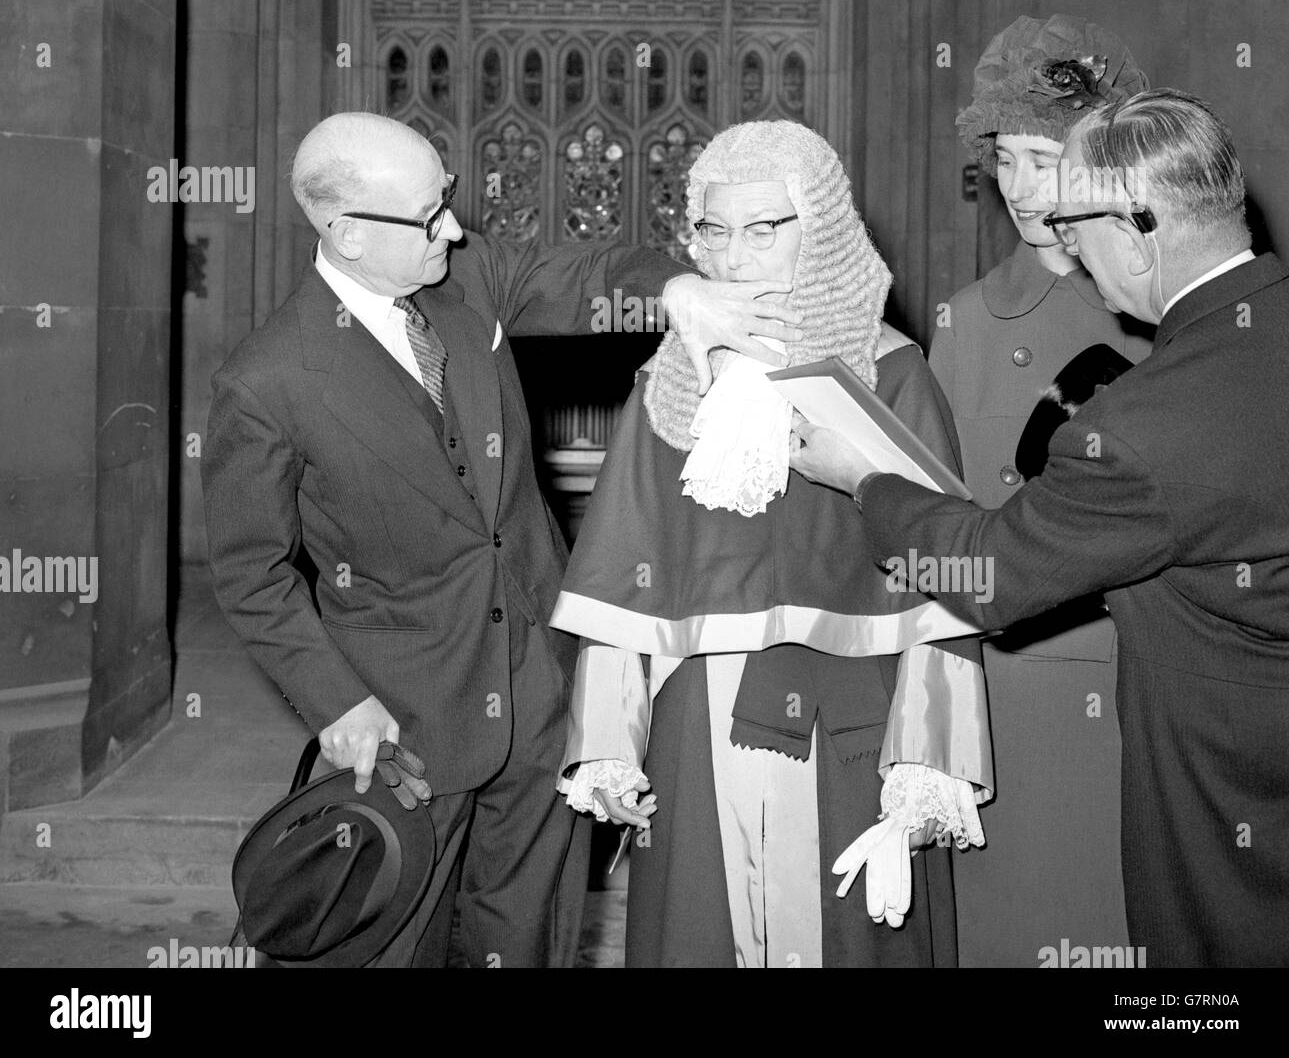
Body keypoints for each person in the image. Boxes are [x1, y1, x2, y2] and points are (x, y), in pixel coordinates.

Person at [201, 111, 802, 968]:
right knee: (395, 948)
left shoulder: (467, 278)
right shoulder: (265, 383)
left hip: (539, 691)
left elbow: (597, 270)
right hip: (403, 726)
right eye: (428, 215)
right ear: (345, 232)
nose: (453, 225)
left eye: (444, 199)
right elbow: (251, 577)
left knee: (522, 943)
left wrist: (681, 291)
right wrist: (336, 702)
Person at [790, 90, 1289, 967]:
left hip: (1235, 796)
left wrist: (863, 477)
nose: (1063, 245)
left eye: (1072, 224)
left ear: (1136, 228)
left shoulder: (1143, 430)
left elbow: (990, 574)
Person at [551, 120, 993, 968]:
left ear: (818, 229)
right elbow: (618, 588)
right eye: (713, 231)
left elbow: (942, 588)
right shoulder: (666, 381)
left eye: (763, 229)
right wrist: (607, 742)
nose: (733, 256)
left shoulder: (896, 373)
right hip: (695, 728)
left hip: (853, 724)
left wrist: (925, 770)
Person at [934, 14, 1153, 966]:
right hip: (1009, 689)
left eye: (1044, 156)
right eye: (1004, 160)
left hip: (1141, 685)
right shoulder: (967, 319)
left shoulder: (1167, 317)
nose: (1021, 189)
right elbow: (937, 524)